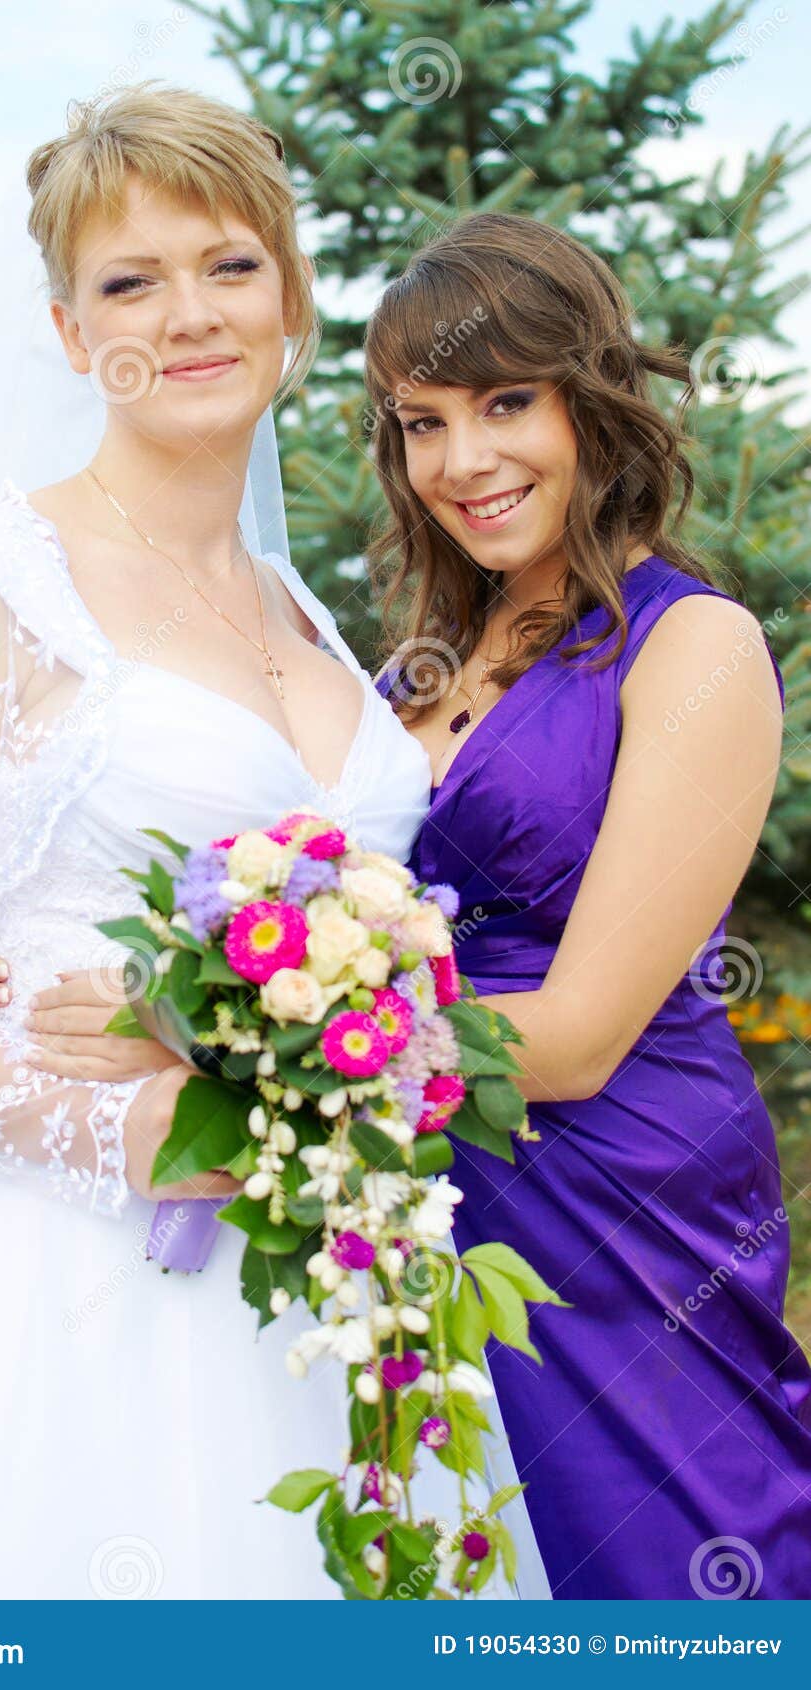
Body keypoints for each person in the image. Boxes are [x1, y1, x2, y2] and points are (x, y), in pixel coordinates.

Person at [0, 89, 548, 1600]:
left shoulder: (313, 625)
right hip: (63, 1276)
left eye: (231, 266)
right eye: (131, 281)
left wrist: (292, 1093)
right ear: (65, 331)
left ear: (291, 298)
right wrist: (148, 1134)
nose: (189, 315)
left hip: (333, 1274)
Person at [363, 211, 811, 1599]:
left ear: (591, 399)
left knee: (662, 1564)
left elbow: (571, 1040)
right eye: (424, 421)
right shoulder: (412, 673)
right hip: (416, 1192)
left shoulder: (694, 644)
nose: (466, 460)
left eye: (507, 402)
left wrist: (277, 1049)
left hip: (623, 1195)